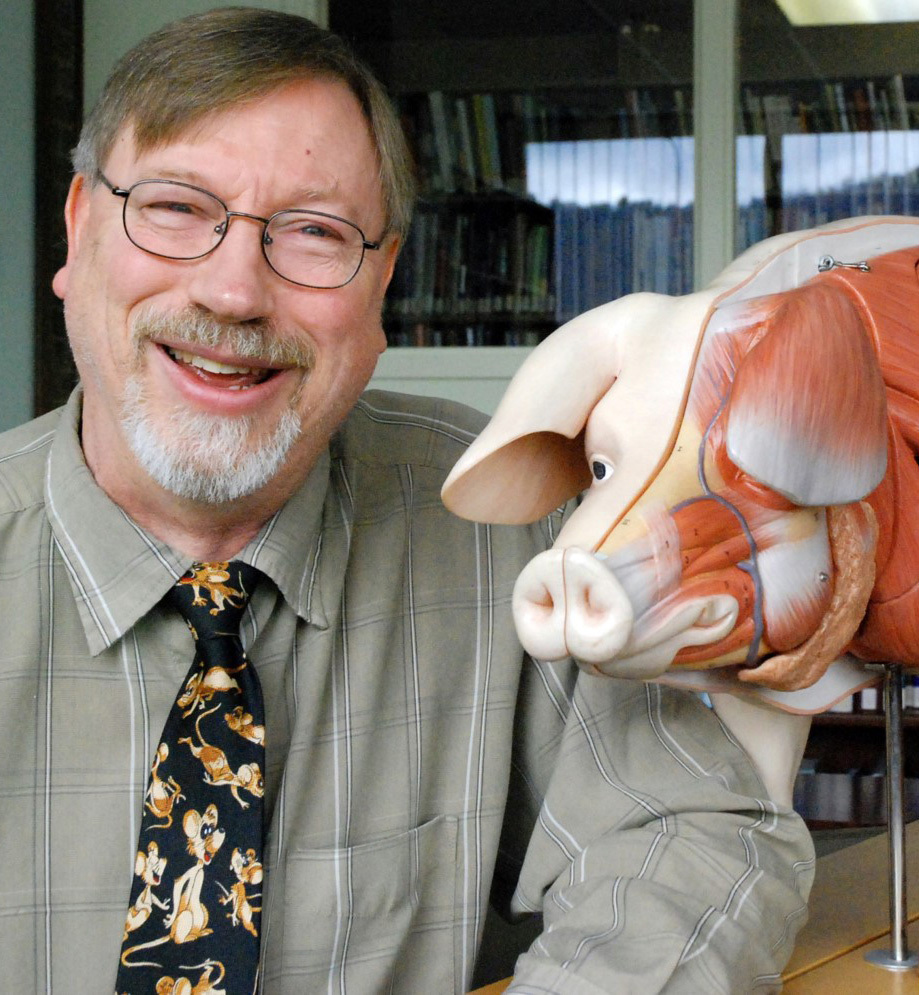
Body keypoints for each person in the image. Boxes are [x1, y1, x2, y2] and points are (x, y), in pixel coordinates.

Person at [0, 7, 814, 993]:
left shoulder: (500, 518)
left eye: (313, 231)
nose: (233, 291)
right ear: (80, 225)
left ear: (381, 282)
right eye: (174, 208)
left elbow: (698, 833)